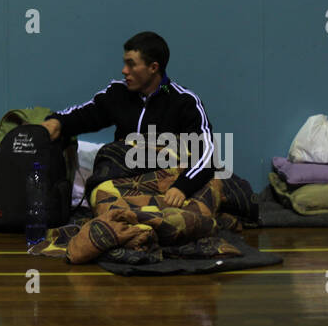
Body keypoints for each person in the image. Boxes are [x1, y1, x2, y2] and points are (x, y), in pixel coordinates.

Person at [44, 31, 214, 207]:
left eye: (131, 64)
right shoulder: (118, 94)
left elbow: (207, 154)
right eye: (125, 63)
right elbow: (83, 114)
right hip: (124, 182)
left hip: (169, 183)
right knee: (103, 194)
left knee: (207, 196)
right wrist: (57, 121)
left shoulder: (184, 102)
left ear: (153, 68)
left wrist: (182, 187)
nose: (124, 71)